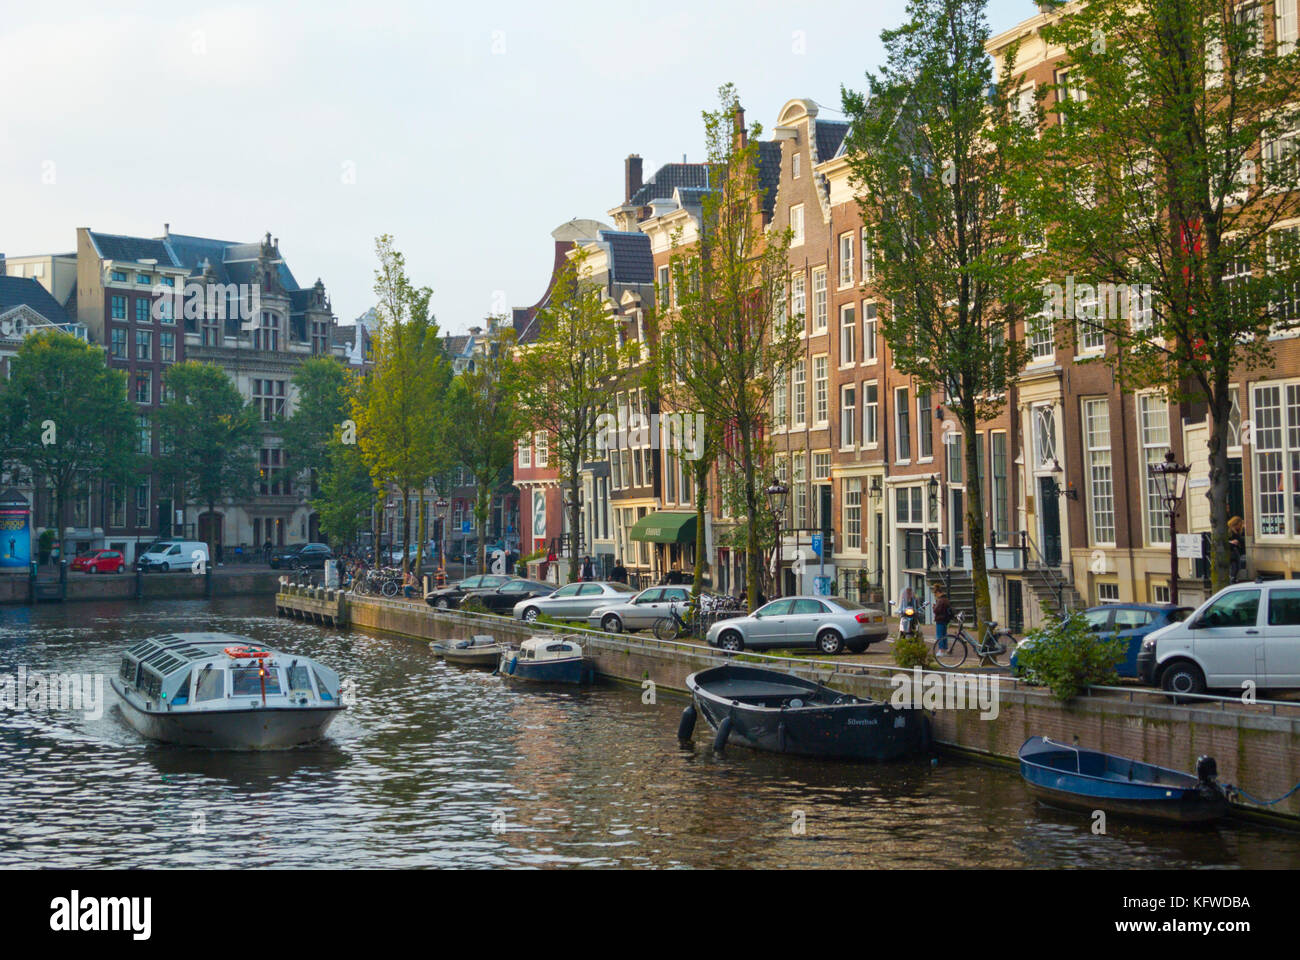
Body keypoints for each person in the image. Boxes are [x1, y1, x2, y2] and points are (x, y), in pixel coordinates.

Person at [1228, 516, 1247, 582]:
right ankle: (1232, 579)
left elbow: (1241, 539)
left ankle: (1233, 578)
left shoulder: (1238, 531)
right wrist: (1231, 542)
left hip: (1235, 550)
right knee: (1234, 566)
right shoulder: (1229, 530)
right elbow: (1223, 541)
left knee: (1237, 566)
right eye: (1239, 525)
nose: (1240, 527)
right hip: (1230, 550)